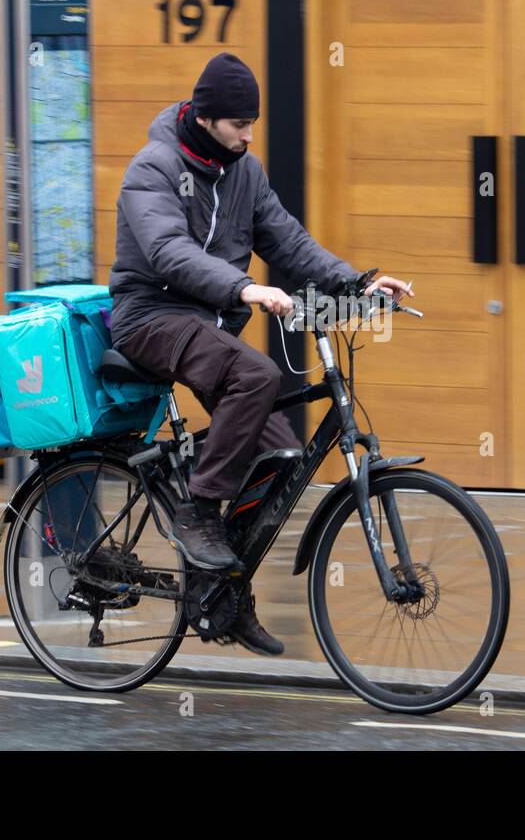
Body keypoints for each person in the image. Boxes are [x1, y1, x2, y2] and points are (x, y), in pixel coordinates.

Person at [110, 52, 413, 656]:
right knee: (257, 373)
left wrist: (356, 284)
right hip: (151, 318)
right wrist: (244, 286)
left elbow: (290, 243)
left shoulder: (246, 172)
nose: (248, 136)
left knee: (278, 453)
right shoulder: (155, 167)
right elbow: (168, 252)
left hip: (210, 326)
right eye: (237, 125)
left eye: (253, 123)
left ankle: (221, 595)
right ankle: (198, 509)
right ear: (203, 118)